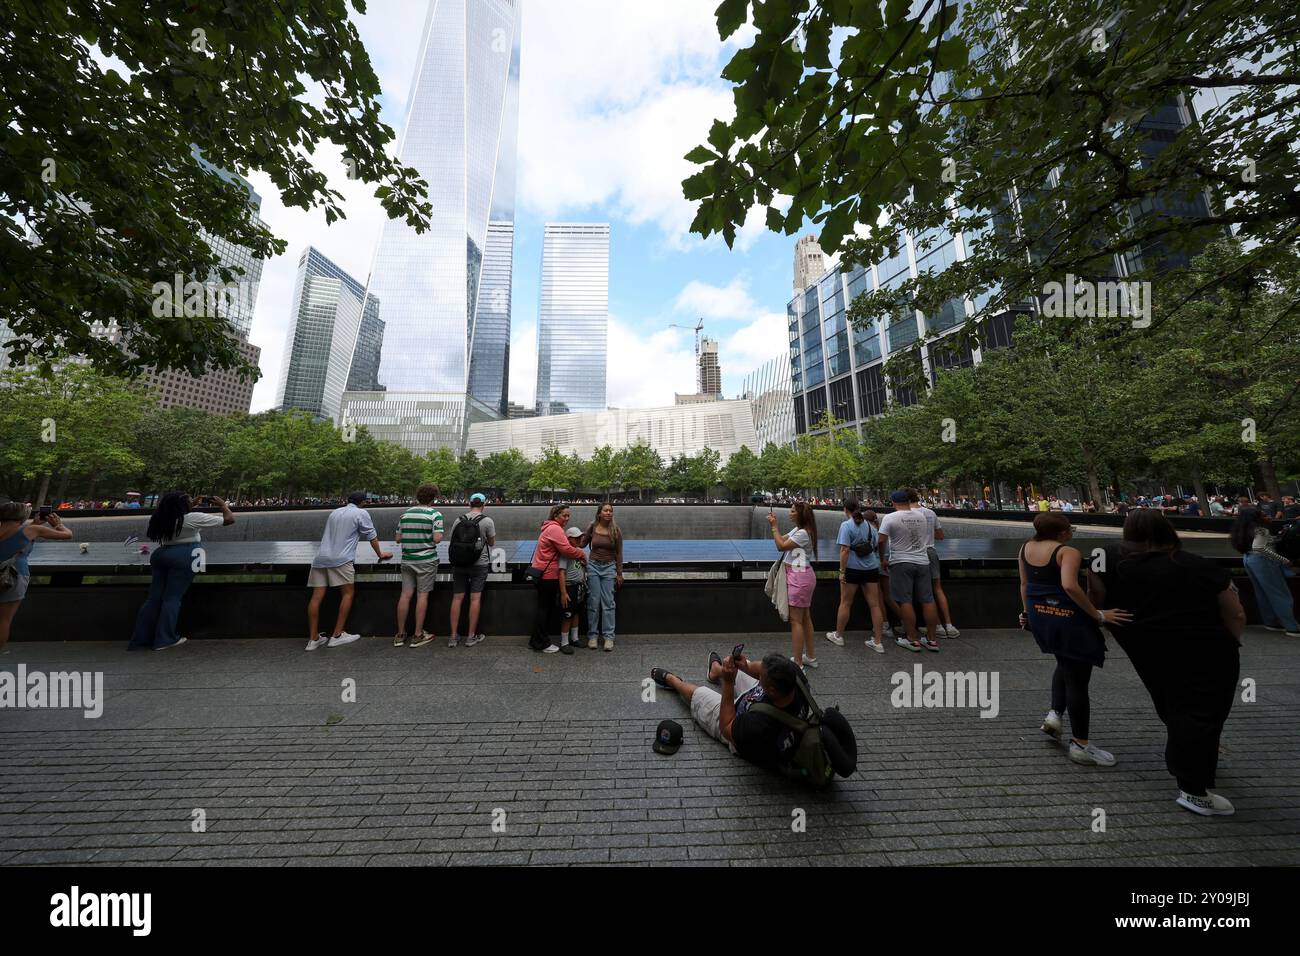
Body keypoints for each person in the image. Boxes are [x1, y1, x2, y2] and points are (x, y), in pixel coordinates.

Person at [1091, 511, 1247, 815]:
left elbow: (1095, 594)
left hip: (1141, 642)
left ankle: (1191, 752)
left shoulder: (1103, 557)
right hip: (1203, 646)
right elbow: (1235, 613)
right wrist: (1233, 640)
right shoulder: (1198, 566)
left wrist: (1104, 619)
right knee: (1204, 709)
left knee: (1169, 698)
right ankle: (1193, 789)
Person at [1017, 512, 1131, 766]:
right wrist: (1098, 614)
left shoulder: (1026, 548)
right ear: (1062, 533)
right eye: (1071, 529)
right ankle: (1081, 744)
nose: (1072, 533)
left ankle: (1055, 715)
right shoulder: (1066, 552)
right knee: (1078, 680)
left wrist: (1027, 613)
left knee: (1064, 664)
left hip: (1041, 615)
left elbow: (1024, 584)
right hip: (1068, 618)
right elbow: (1070, 585)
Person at [649, 653, 811, 767]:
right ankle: (716, 670)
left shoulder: (759, 727)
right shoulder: (794, 676)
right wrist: (745, 666)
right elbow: (762, 669)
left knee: (700, 695)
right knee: (737, 668)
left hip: (736, 724)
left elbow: (726, 727)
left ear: (772, 689)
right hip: (759, 702)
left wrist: (728, 682)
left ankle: (673, 681)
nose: (758, 675)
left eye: (761, 677)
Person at [127, 493, 233, 650]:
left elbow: (181, 515)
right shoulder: (193, 518)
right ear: (183, 506)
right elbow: (229, 520)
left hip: (161, 555)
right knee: (172, 598)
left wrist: (189, 505)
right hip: (186, 555)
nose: (193, 501)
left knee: (153, 598)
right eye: (189, 501)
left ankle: (140, 640)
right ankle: (165, 639)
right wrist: (223, 506)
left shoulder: (161, 517)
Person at [306, 490, 391, 651]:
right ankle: (337, 635)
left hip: (320, 558)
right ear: (363, 502)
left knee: (316, 598)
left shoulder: (335, 512)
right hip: (341, 559)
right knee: (348, 593)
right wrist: (380, 554)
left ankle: (313, 639)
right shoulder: (361, 513)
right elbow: (371, 536)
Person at [0, 502, 74, 649]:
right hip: (13, 577)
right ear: (22, 516)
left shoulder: (29, 528)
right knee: (3, 620)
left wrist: (35, 522)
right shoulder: (33, 529)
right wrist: (58, 524)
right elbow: (68, 535)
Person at [878, 490, 940, 652]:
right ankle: (932, 640)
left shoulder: (890, 518)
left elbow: (881, 540)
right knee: (928, 600)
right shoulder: (921, 516)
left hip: (901, 562)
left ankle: (912, 638)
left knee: (905, 601)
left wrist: (882, 558)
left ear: (893, 502)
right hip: (922, 561)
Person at [825, 497, 886, 653]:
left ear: (845, 510)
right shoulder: (870, 527)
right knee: (875, 605)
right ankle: (878, 642)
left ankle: (838, 636)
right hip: (871, 568)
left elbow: (845, 550)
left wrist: (842, 572)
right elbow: (875, 545)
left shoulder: (846, 526)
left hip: (852, 569)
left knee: (845, 602)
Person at [1230, 499, 1298, 636]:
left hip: (1249, 559)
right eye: (1263, 515)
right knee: (1280, 593)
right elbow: (1259, 547)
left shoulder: (1242, 529)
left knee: (1262, 592)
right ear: (1256, 518)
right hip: (1264, 561)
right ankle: (1292, 626)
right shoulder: (1261, 530)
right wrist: (1283, 560)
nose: (1267, 516)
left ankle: (1271, 621)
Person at [767, 501, 819, 669]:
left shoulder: (803, 533)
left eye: (792, 511)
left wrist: (774, 526)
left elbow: (780, 546)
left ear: (799, 514)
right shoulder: (799, 530)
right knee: (805, 619)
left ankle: (797, 663)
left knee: (796, 621)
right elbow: (782, 539)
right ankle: (810, 657)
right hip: (801, 575)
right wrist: (775, 528)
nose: (789, 513)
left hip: (799, 578)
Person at [529, 504, 586, 652]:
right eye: (564, 515)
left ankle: (537, 640)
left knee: (544, 608)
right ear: (556, 515)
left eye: (568, 516)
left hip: (542, 573)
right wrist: (581, 554)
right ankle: (541, 643)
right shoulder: (555, 529)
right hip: (548, 575)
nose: (567, 518)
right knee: (544, 609)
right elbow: (566, 549)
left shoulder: (549, 528)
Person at [393, 484, 443, 648]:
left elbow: (398, 538)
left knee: (405, 595)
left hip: (407, 559)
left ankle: (400, 634)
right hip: (426, 560)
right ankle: (418, 634)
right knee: (422, 596)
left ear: (417, 497)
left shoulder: (405, 514)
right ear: (433, 498)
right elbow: (437, 539)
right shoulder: (435, 514)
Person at [447, 493, 496, 647]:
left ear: (469, 504)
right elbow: (492, 542)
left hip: (459, 563)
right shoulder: (487, 521)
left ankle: (453, 637)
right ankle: (471, 636)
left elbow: (452, 540)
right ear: (484, 504)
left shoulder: (458, 520)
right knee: (475, 599)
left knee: (457, 598)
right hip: (479, 564)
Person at [909, 489, 959, 638]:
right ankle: (949, 626)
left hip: (917, 554)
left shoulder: (907, 515)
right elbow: (940, 535)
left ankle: (937, 626)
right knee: (937, 588)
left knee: (925, 592)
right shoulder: (930, 513)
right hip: (931, 552)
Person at [582, 502, 623, 651]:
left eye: (610, 511)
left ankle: (608, 637)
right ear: (599, 513)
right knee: (593, 601)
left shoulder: (616, 531)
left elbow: (619, 553)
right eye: (605, 510)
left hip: (609, 567)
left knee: (608, 603)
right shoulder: (592, 527)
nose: (608, 513)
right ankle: (592, 635)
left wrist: (619, 573)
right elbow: (581, 544)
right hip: (593, 566)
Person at [548, 526, 587, 655]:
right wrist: (563, 593)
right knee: (568, 615)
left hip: (579, 587)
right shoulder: (565, 554)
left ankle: (575, 638)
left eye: (580, 537)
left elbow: (581, 566)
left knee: (576, 613)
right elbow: (562, 573)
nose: (579, 539)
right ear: (568, 539)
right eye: (576, 538)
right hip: (569, 587)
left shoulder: (578, 552)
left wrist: (584, 565)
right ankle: (564, 642)